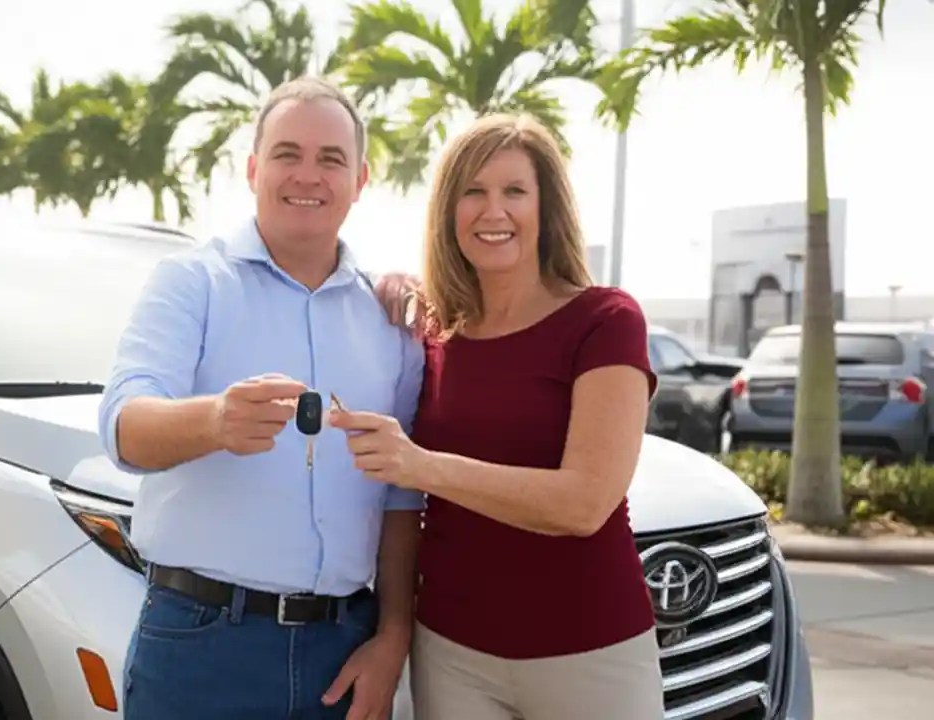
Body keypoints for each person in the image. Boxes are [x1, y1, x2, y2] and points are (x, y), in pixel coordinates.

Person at [97, 76, 425, 720]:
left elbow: (401, 496)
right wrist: (215, 420)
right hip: (201, 651)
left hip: (344, 652)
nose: (308, 175)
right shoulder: (192, 282)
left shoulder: (393, 320)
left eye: (331, 159)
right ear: (253, 170)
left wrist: (392, 639)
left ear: (360, 181)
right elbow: (122, 427)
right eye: (287, 153)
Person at [330, 112, 665, 719]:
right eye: (473, 192)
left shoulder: (606, 322)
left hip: (591, 652)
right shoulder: (432, 333)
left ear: (546, 207)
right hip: (452, 656)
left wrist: (420, 465)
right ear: (448, 211)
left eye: (514, 191)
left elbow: (583, 504)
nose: (494, 211)